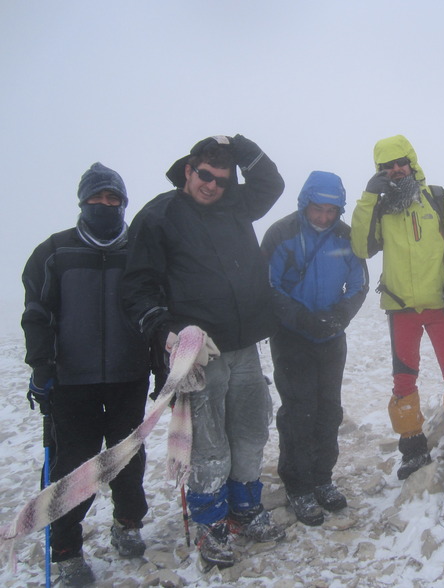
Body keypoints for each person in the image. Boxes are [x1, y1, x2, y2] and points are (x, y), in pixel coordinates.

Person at [121, 135, 285, 569]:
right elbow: (137, 286)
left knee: (250, 431)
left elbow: (270, 185)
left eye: (222, 179)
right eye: (206, 176)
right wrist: (168, 332)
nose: (213, 186)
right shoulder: (159, 216)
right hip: (198, 352)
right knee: (209, 445)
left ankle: (246, 508)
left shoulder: (235, 205)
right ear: (188, 170)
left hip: (244, 342)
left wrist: (244, 147)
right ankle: (211, 525)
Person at [21, 162, 151, 586]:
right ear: (83, 202)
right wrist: (42, 367)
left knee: (127, 460)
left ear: (123, 202)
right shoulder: (54, 251)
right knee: (74, 468)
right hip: (70, 381)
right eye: (97, 198)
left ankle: (128, 524)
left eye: (113, 198)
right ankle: (66, 550)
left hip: (129, 374)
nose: (105, 205)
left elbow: (156, 307)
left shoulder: (138, 250)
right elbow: (36, 315)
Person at [351, 135, 444, 497]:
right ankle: (412, 450)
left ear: (411, 163)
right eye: (386, 167)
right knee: (403, 382)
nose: (395, 170)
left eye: (400, 163)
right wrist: (367, 197)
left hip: (442, 305)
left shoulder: (437, 198)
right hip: (401, 309)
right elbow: (361, 246)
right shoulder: (379, 207)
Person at [261, 171, 368, 526]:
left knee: (329, 410)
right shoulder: (282, 234)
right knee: (299, 410)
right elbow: (268, 285)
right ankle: (297, 484)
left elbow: (359, 282)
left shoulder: (345, 236)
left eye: (331, 210)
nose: (324, 216)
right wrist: (302, 319)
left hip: (331, 338)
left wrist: (339, 316)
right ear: (305, 203)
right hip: (292, 337)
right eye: (317, 209)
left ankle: (322, 478)